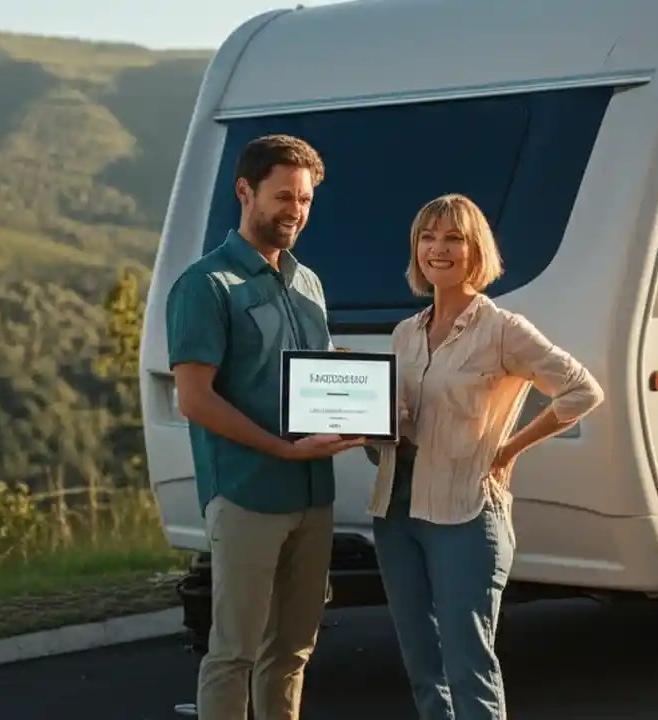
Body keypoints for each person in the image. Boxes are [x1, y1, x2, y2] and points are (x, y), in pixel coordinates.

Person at [367, 193, 605, 720]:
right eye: (428, 237)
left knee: (467, 665)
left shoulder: (503, 330)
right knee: (422, 666)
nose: (438, 248)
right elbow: (396, 427)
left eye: (453, 238)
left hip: (466, 514)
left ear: (477, 251)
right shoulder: (405, 333)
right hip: (395, 512)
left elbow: (582, 390)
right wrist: (354, 419)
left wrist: (509, 448)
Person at [166, 134, 364, 720]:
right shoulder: (204, 285)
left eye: (304, 200)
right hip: (248, 494)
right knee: (235, 652)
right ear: (244, 192)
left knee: (294, 650)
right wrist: (283, 449)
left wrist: (354, 390)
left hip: (312, 498)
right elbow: (194, 401)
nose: (295, 211)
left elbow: (314, 375)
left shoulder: (308, 284)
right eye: (283, 197)